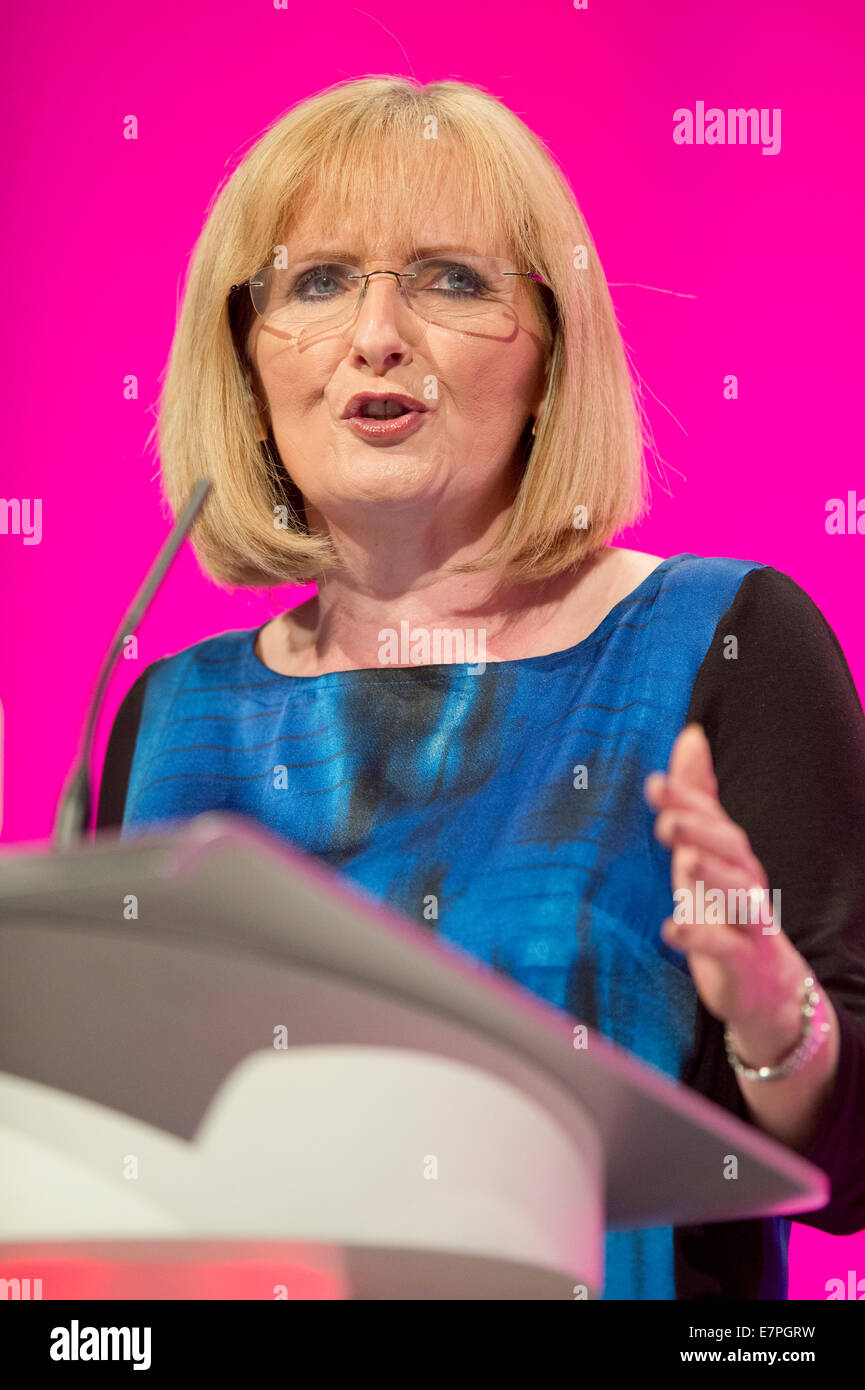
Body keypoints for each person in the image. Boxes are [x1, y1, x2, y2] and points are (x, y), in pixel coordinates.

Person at [96, 75, 865, 1300]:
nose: (377, 333)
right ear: (242, 359)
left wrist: (780, 1025)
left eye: (452, 279)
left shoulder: (719, 640)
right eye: (315, 279)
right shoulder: (166, 722)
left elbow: (850, 1155)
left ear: (552, 354)